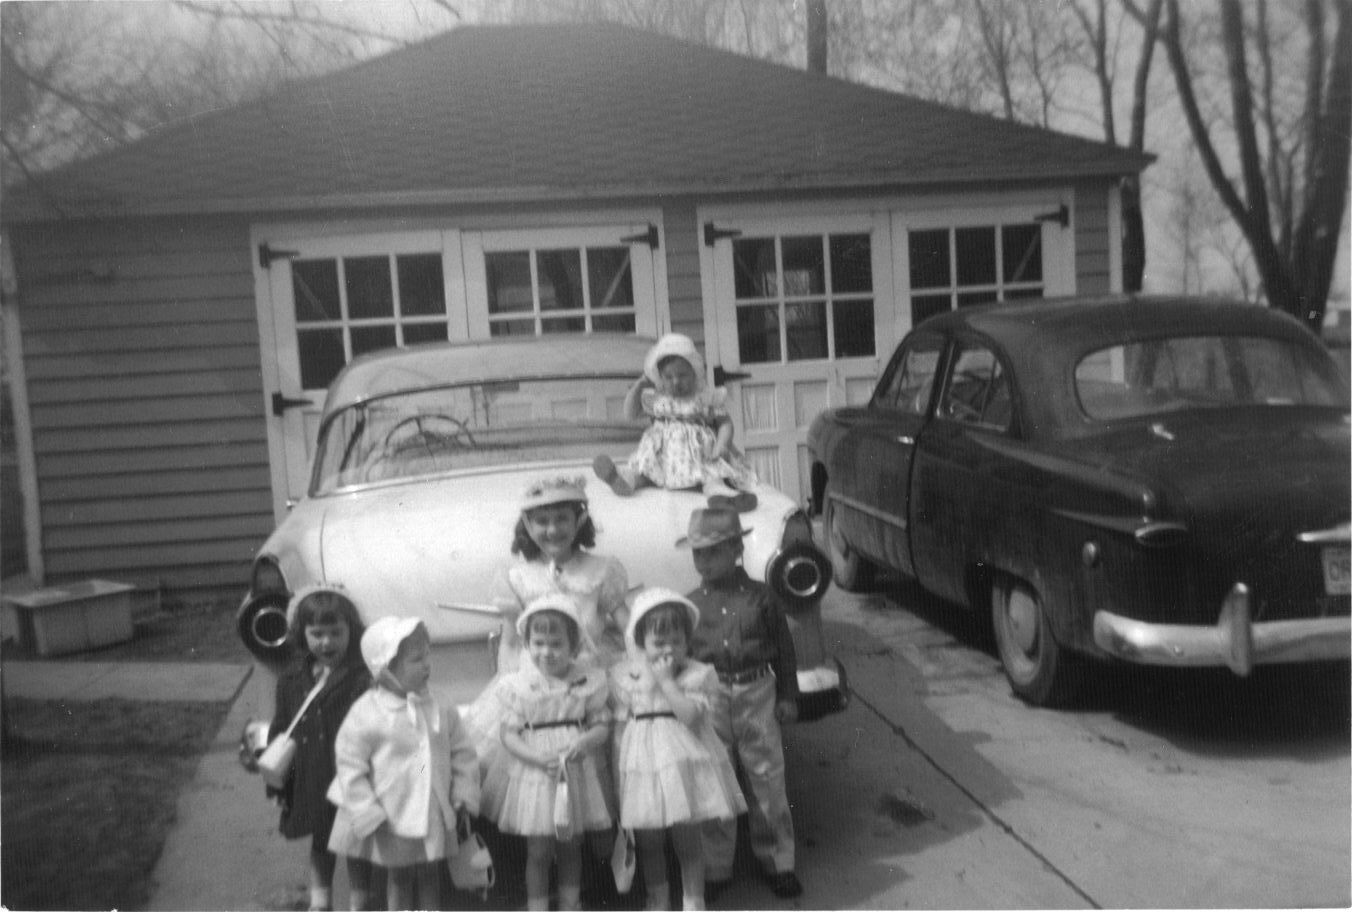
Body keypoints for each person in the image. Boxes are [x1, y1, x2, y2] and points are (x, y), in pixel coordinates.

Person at [680, 506, 804, 900]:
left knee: (766, 778)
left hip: (756, 692)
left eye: (714, 551)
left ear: (737, 549)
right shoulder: (689, 605)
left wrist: (788, 695)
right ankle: (716, 867)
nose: (704, 561)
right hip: (711, 696)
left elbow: (783, 648)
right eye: (698, 553)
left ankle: (778, 861)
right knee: (715, 780)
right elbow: (682, 659)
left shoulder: (761, 597)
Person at [326, 617, 481, 911]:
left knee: (430, 873)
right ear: (385, 668)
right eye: (416, 659)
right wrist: (365, 808)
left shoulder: (440, 704)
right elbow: (349, 764)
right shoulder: (368, 712)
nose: (426, 665)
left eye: (427, 656)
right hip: (391, 812)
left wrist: (463, 791)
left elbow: (462, 751)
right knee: (399, 877)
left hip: (432, 808)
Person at [611, 587, 746, 911]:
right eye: (659, 642)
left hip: (682, 763)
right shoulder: (626, 676)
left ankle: (693, 901)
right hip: (643, 764)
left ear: (688, 640)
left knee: (687, 840)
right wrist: (619, 777)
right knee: (650, 840)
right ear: (641, 642)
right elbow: (620, 727)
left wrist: (667, 682)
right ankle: (657, 899)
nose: (668, 649)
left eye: (677, 641)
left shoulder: (696, 674)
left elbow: (689, 717)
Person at [480, 593, 615, 911]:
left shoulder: (587, 681)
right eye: (538, 643)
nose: (547, 652)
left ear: (574, 647)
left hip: (576, 770)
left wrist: (585, 741)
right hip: (536, 773)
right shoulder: (518, 686)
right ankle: (537, 905)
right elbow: (508, 735)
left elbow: (602, 725)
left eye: (556, 644)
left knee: (571, 846)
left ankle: (571, 903)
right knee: (539, 850)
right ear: (527, 645)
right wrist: (536, 758)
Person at [266, 583, 375, 911]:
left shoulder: (361, 677)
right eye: (317, 634)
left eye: (336, 633)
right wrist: (277, 781)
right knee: (321, 839)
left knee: (356, 842)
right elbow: (281, 728)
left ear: (351, 631)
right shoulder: (292, 679)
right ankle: (320, 901)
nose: (327, 642)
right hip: (312, 774)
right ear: (302, 634)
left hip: (350, 775)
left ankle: (359, 903)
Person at [593, 333, 757, 512]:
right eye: (668, 377)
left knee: (712, 475)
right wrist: (639, 385)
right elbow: (630, 414)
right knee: (644, 471)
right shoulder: (657, 399)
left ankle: (720, 496)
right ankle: (624, 482)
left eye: (682, 375)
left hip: (698, 457)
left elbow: (725, 423)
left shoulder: (704, 398)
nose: (676, 381)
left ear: (695, 374)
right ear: (660, 379)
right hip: (662, 458)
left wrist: (721, 445)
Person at [491, 475, 631, 673]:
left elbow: (630, 630)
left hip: (592, 674)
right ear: (528, 525)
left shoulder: (601, 570)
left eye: (562, 519)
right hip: (537, 676)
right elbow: (510, 644)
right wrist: (509, 683)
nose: (553, 530)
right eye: (542, 521)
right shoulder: (517, 577)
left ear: (579, 520)